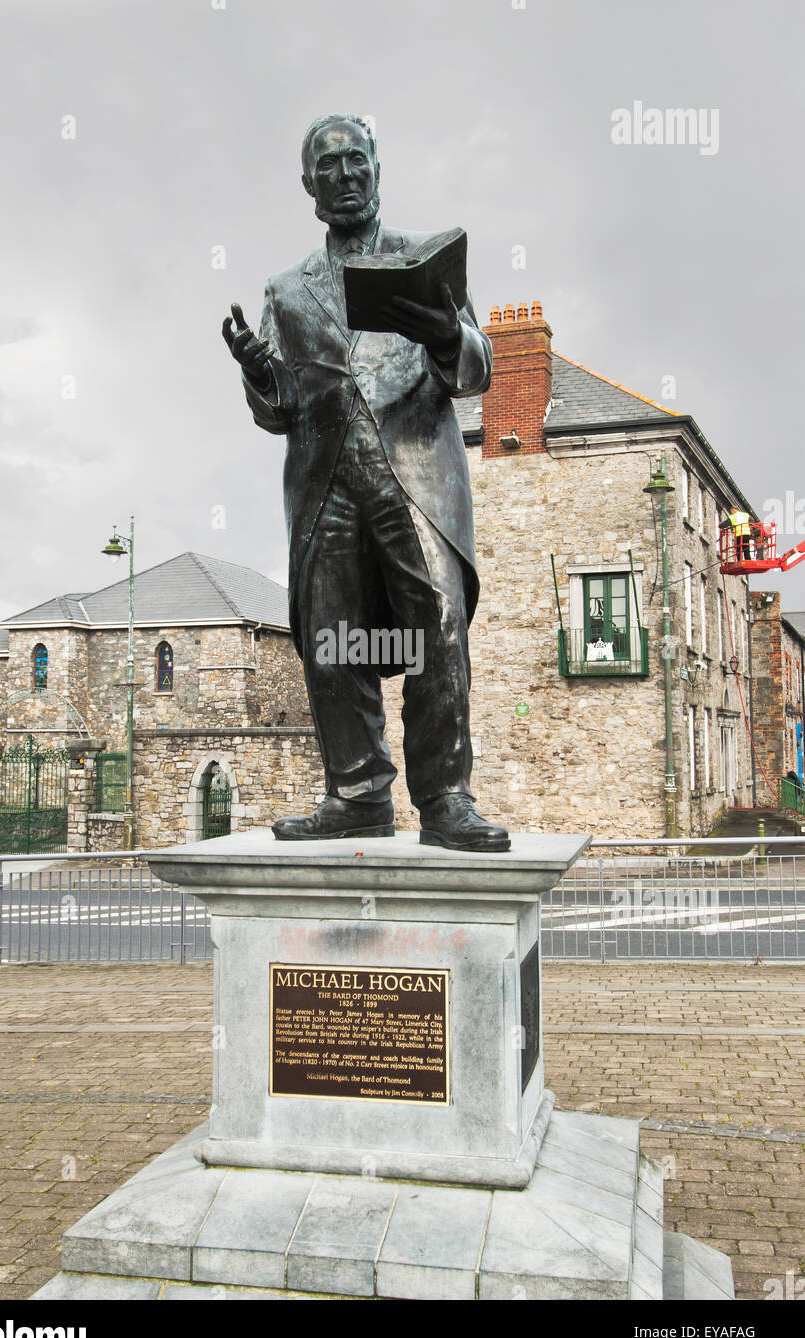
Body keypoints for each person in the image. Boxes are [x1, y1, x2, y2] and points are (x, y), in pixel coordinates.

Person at [222, 113, 509, 852]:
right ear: (309, 187)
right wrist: (260, 373)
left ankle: (446, 797)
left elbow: (474, 370)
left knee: (437, 630)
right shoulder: (287, 291)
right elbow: (281, 409)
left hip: (415, 474)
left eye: (357, 161)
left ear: (378, 169)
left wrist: (445, 331)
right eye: (329, 167)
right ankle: (356, 794)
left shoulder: (424, 258)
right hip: (326, 484)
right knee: (332, 641)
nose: (345, 176)